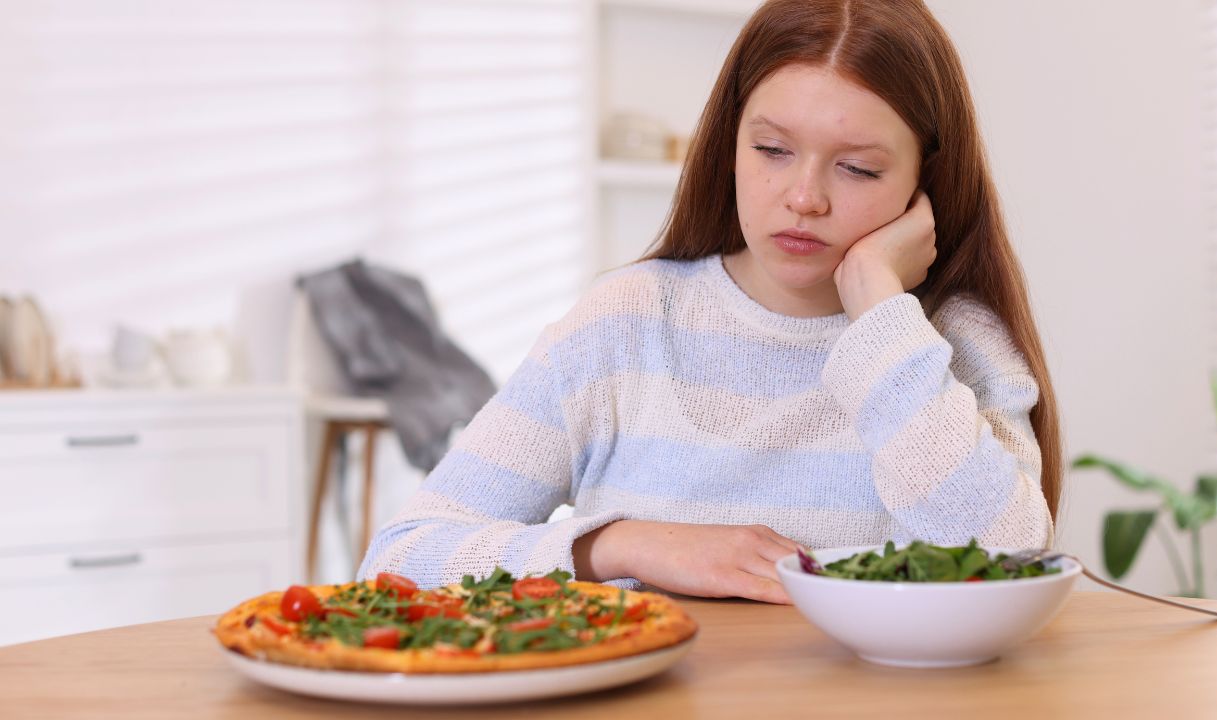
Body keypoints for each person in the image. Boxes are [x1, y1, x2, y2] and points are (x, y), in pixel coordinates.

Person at [358, 0, 1061, 605]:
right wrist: (620, 545)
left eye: (857, 168)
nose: (804, 197)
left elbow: (1009, 562)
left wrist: (879, 311)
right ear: (729, 144)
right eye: (772, 150)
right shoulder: (624, 325)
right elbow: (399, 562)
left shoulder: (952, 344)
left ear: (924, 180)